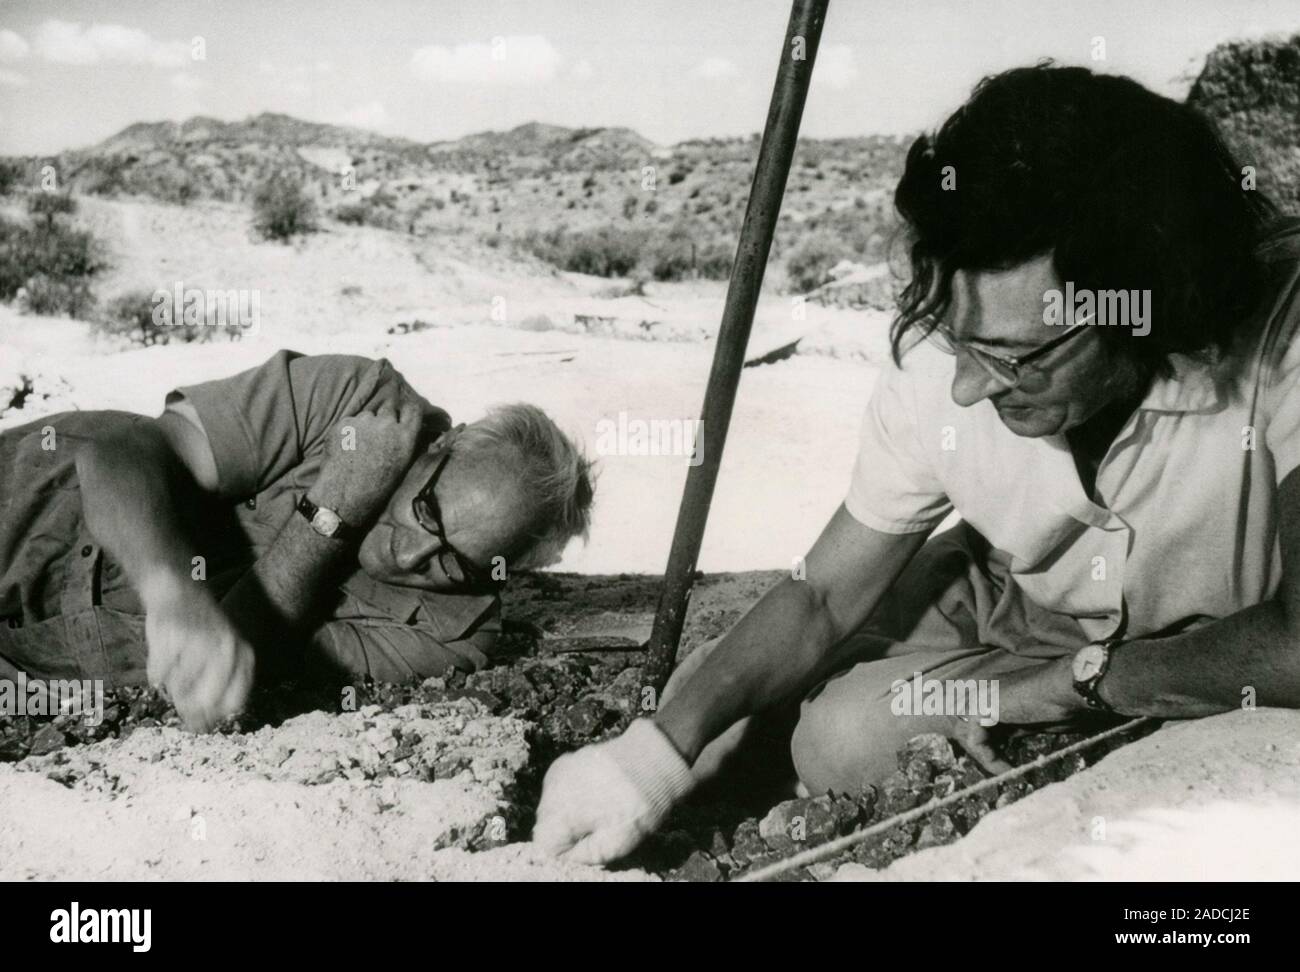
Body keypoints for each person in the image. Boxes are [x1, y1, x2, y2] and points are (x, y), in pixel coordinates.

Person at [534, 63, 1300, 864]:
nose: (968, 387)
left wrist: (1082, 682)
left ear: (1151, 304)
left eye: (1014, 359)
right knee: (715, 701)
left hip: (1218, 633)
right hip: (1022, 601)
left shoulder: (1285, 327)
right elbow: (825, 594)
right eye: (960, 343)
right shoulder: (948, 343)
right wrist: (648, 758)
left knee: (843, 739)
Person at [0, 349, 593, 730]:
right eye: (428, 512)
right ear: (441, 444)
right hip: (34, 502)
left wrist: (333, 509)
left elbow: (242, 654)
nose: (411, 554)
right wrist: (171, 591)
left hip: (40, 668)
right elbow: (122, 453)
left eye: (455, 564)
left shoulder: (453, 635)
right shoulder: (357, 397)